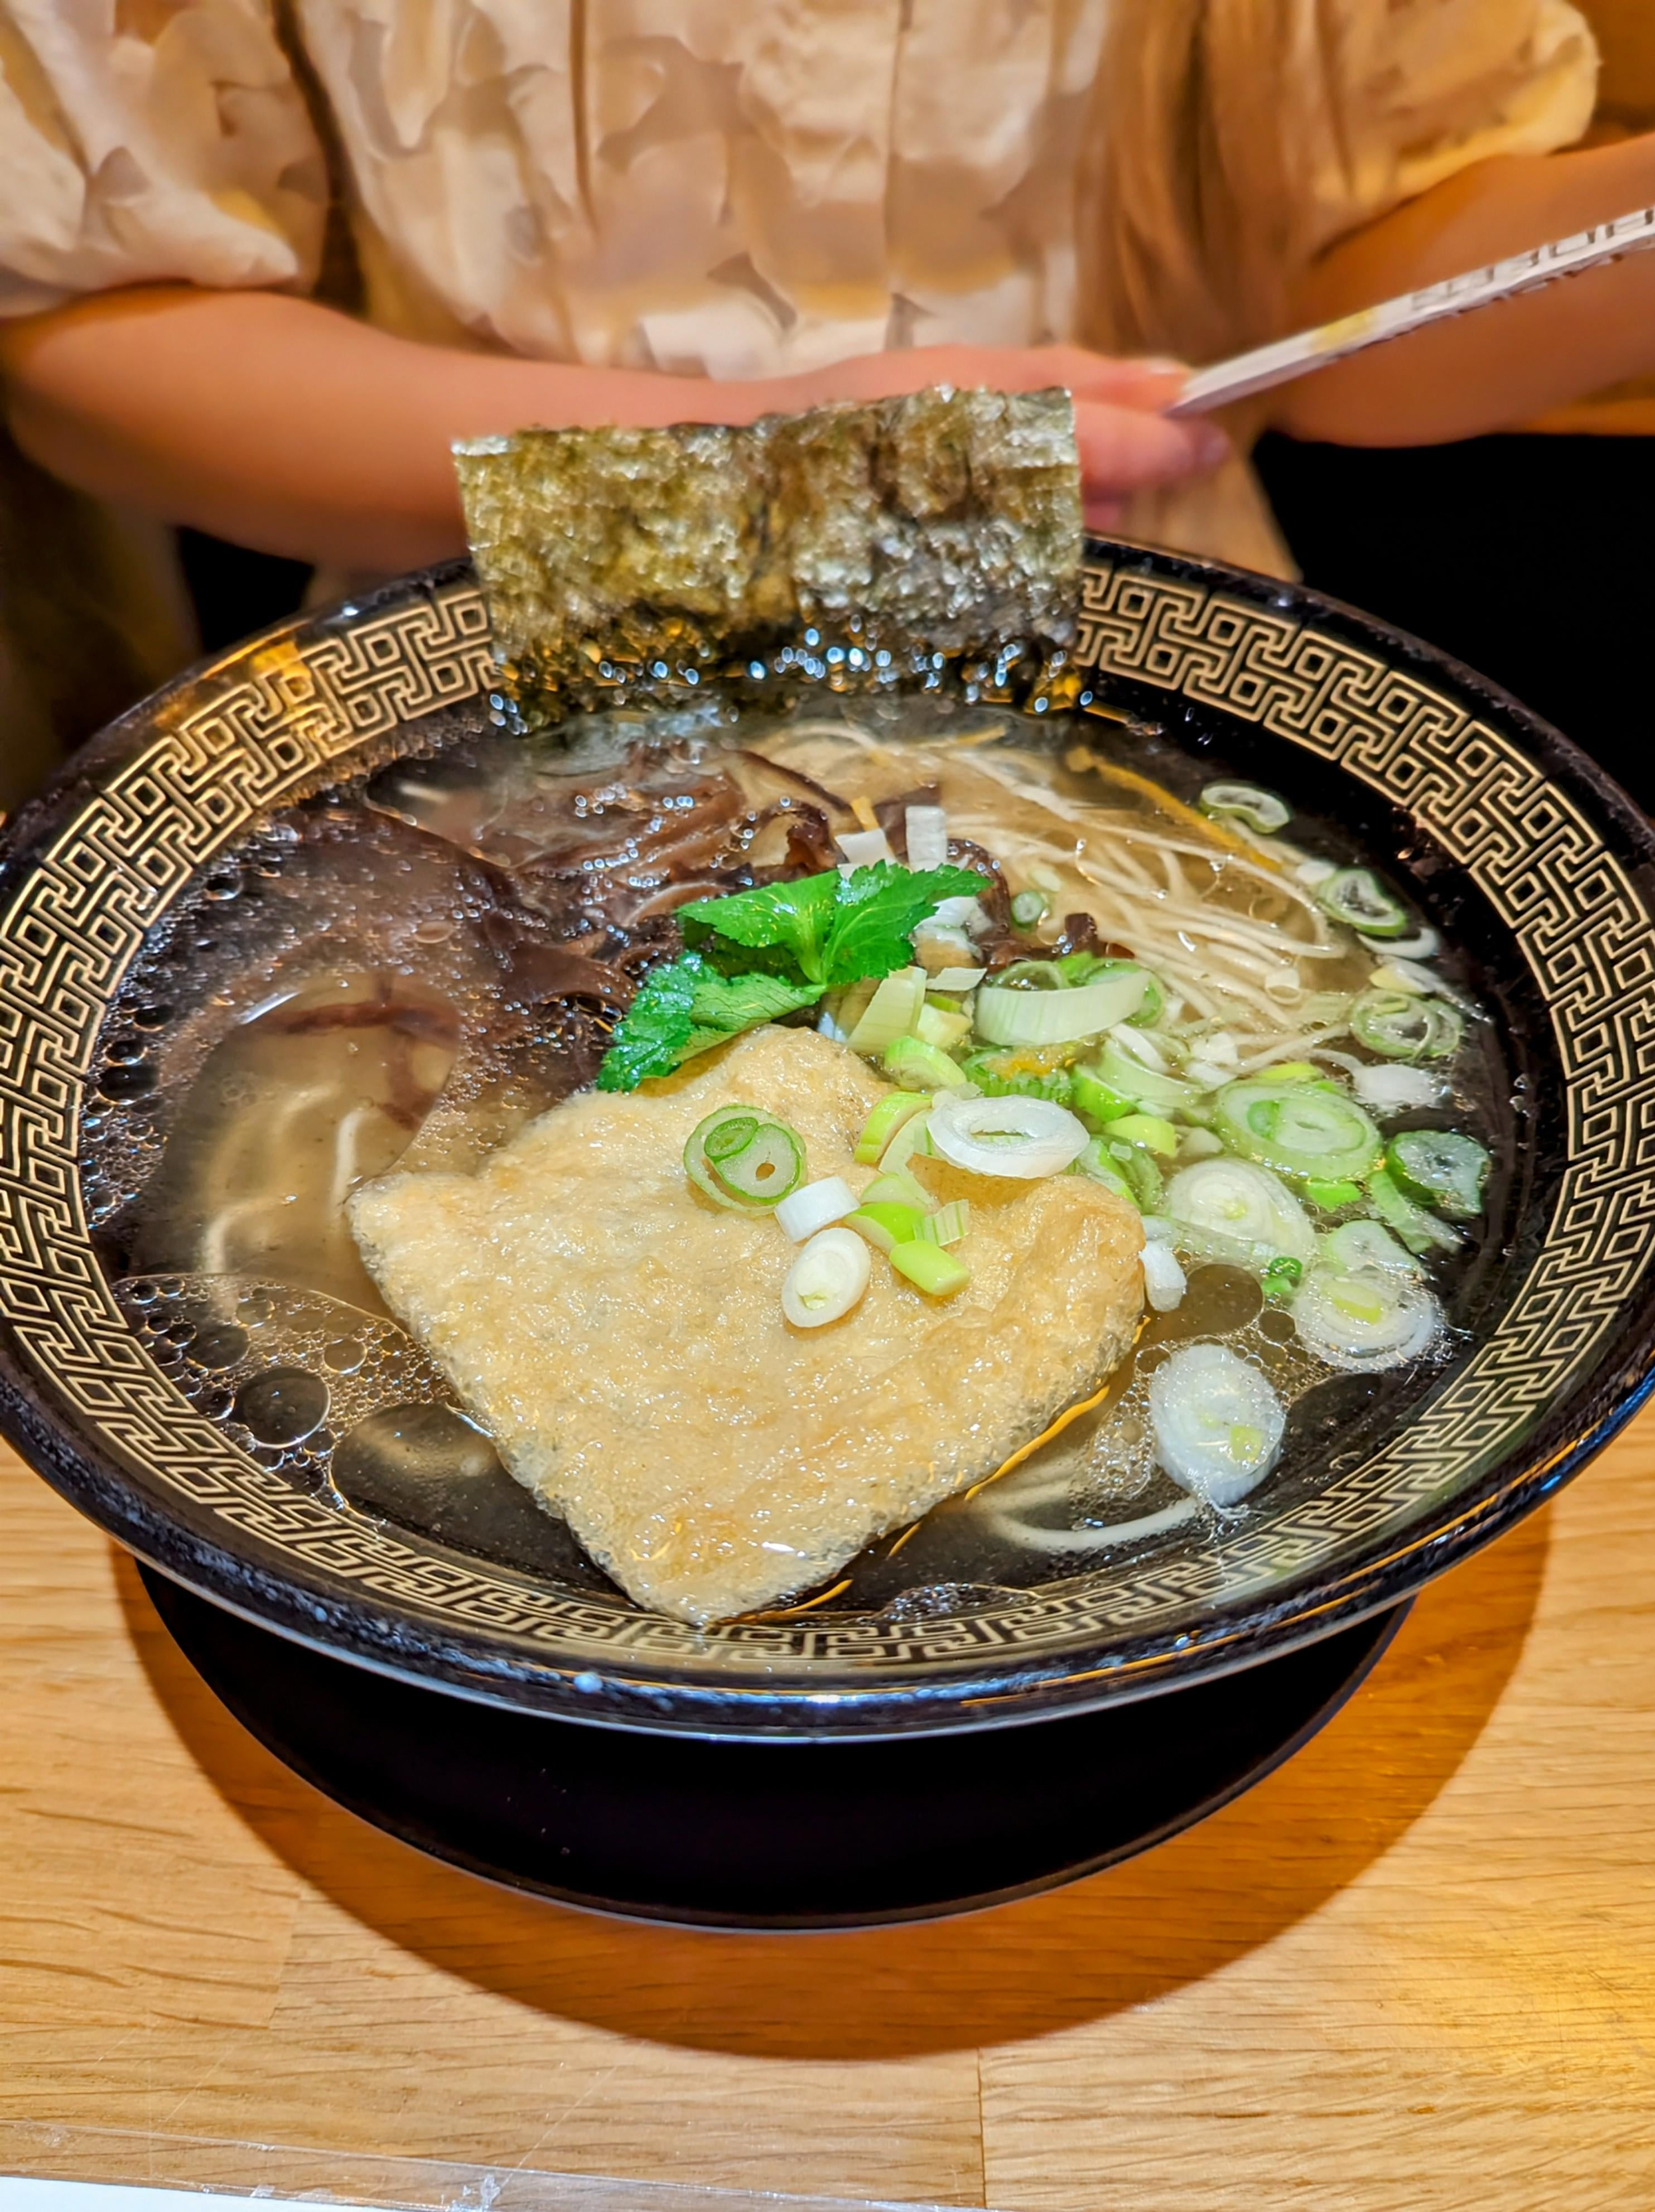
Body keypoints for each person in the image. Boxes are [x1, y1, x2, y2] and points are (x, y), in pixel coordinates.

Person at [0, 3, 1651, 630]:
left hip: (1137, 638)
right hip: (491, 627)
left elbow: (1366, 319)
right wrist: (770, 479)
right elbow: (94, 336)